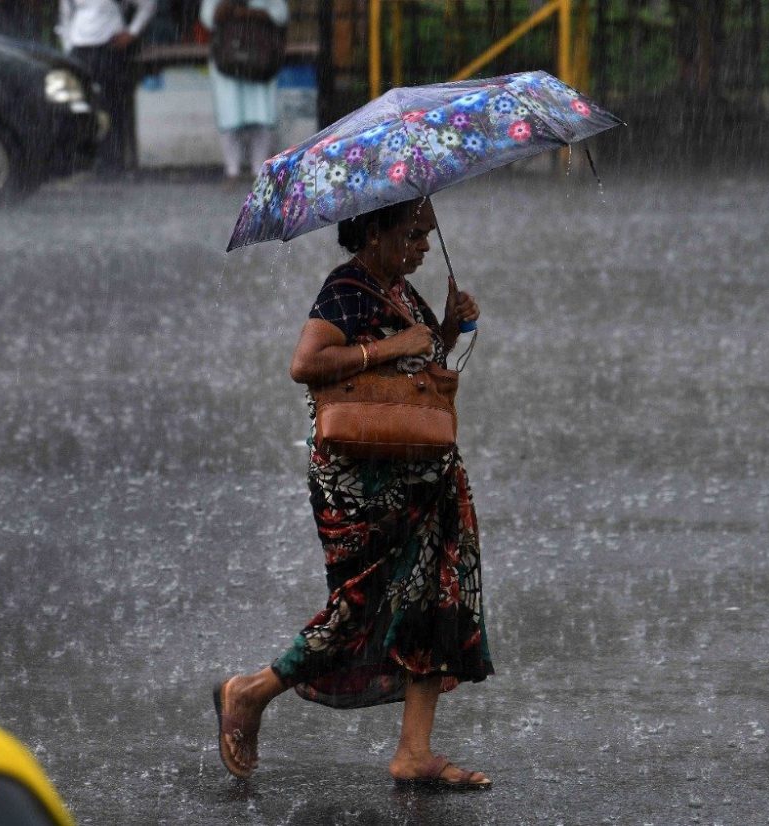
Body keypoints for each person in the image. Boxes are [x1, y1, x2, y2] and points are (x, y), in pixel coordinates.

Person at [212, 197, 494, 789]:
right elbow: (306, 363)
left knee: (433, 600)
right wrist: (395, 345)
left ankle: (414, 752)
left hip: (422, 475)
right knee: (359, 608)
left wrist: (444, 328)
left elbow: (416, 368)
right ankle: (252, 690)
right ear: (375, 233)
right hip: (363, 485)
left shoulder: (399, 290)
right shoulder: (348, 287)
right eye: (414, 234)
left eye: (427, 236)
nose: (422, 246)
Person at [57, 0, 157, 176]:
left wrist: (132, 33)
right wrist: (69, 47)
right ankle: (84, 160)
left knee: (111, 108)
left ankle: (112, 162)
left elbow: (148, 5)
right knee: (81, 107)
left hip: (110, 48)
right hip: (80, 50)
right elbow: (65, 18)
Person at [198, 0, 288, 181]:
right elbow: (207, 19)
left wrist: (252, 14)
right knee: (229, 116)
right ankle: (232, 171)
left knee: (262, 116)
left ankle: (259, 171)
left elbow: (281, 15)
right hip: (227, 56)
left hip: (260, 56)